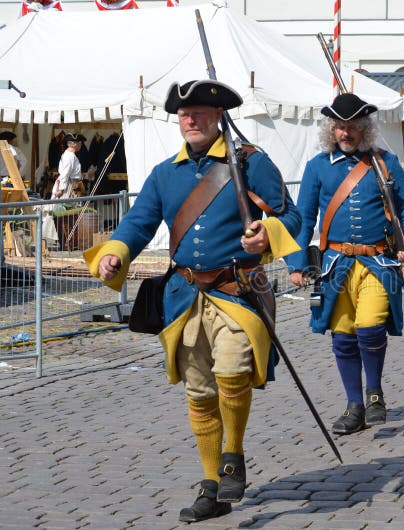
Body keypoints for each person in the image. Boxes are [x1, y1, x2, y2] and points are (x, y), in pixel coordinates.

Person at [83, 80, 301, 523]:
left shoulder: (250, 164)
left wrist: (268, 234)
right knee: (200, 392)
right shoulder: (166, 173)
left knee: (233, 368)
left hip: (237, 292)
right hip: (184, 297)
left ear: (219, 116)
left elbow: (291, 215)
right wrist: (113, 253)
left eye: (200, 112)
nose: (190, 119)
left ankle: (232, 457)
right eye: (184, 114)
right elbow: (138, 222)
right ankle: (211, 487)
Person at [286, 93, 404, 435]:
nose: (345, 133)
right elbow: (303, 220)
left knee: (371, 326)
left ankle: (375, 391)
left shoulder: (386, 163)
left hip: (378, 261)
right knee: (343, 337)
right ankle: (354, 405)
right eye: (339, 127)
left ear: (364, 128)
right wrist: (295, 263)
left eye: (351, 126)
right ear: (331, 131)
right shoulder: (317, 167)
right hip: (334, 265)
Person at [50, 133, 85, 199]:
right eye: (80, 143)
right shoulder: (70, 156)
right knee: (65, 207)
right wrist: (61, 190)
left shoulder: (70, 155)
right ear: (75, 144)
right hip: (68, 187)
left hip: (72, 185)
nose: (81, 145)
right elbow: (65, 173)